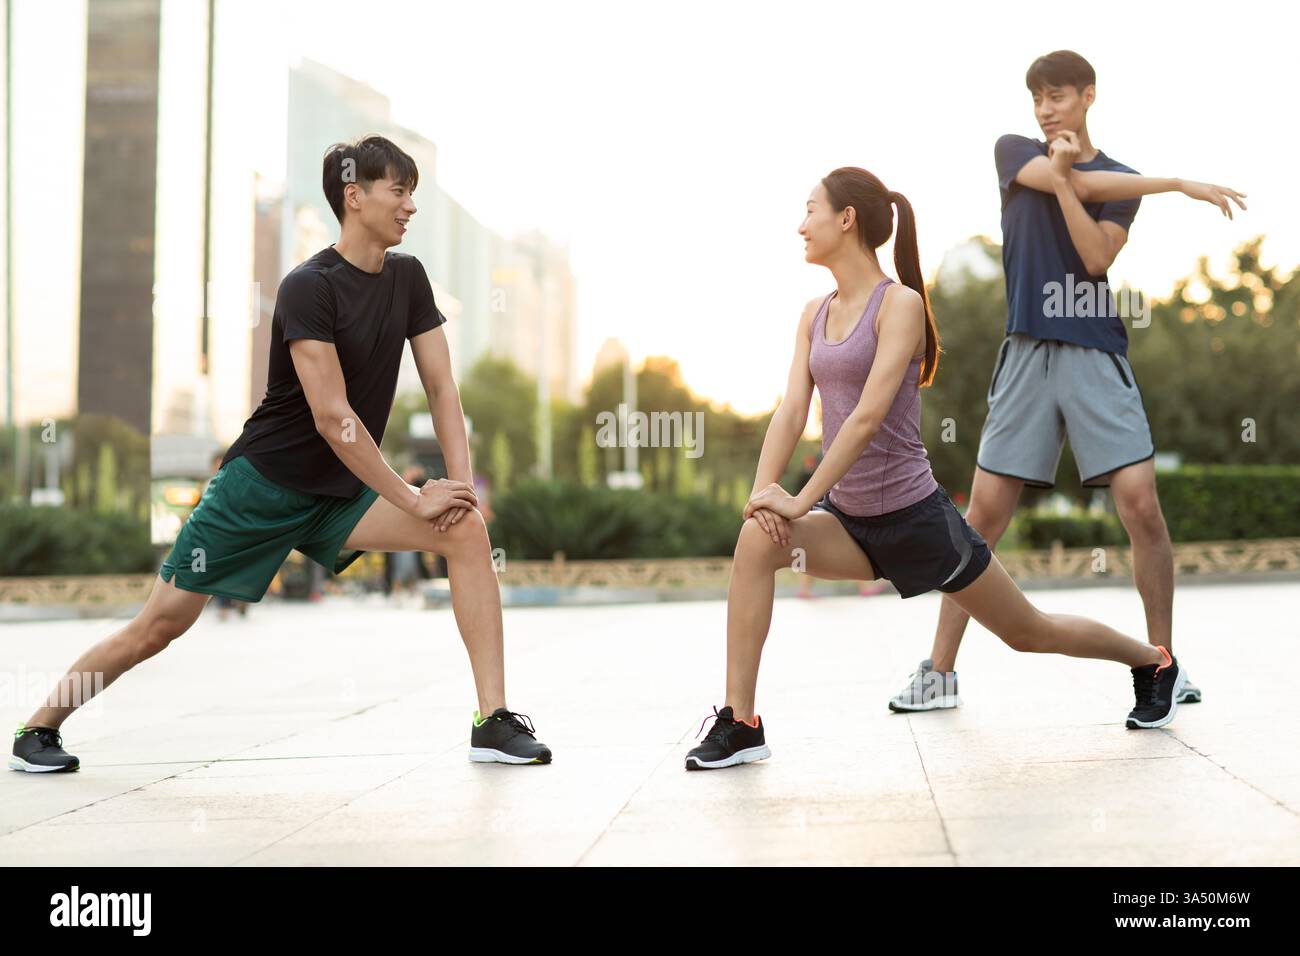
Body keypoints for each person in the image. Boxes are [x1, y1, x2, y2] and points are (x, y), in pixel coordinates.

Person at [12, 135, 550, 773]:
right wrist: (409, 495)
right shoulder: (309, 287)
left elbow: (441, 386)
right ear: (355, 196)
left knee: (464, 530)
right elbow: (333, 418)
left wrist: (457, 487)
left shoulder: (408, 278)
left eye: (413, 194)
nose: (410, 207)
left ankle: (492, 719)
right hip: (261, 487)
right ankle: (38, 728)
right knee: (158, 627)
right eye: (398, 192)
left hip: (340, 493)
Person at [685, 166, 1185, 772]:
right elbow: (793, 410)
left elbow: (867, 417)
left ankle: (1152, 660)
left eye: (810, 210)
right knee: (755, 542)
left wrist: (797, 499)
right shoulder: (813, 314)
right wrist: (765, 494)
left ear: (846, 219)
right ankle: (741, 722)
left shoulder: (900, 305)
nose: (801, 225)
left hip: (918, 522)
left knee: (1029, 631)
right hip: (850, 524)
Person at [890, 50, 1245, 713]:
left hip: (1093, 350)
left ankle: (1161, 665)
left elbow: (1093, 256)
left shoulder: (1120, 180)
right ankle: (939, 672)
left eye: (1058, 97)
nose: (1046, 109)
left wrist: (1149, 183)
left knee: (1140, 503)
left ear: (1087, 96)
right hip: (1026, 352)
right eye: (1038, 99)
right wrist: (1066, 177)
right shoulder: (1013, 150)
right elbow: (1065, 181)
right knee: (985, 517)